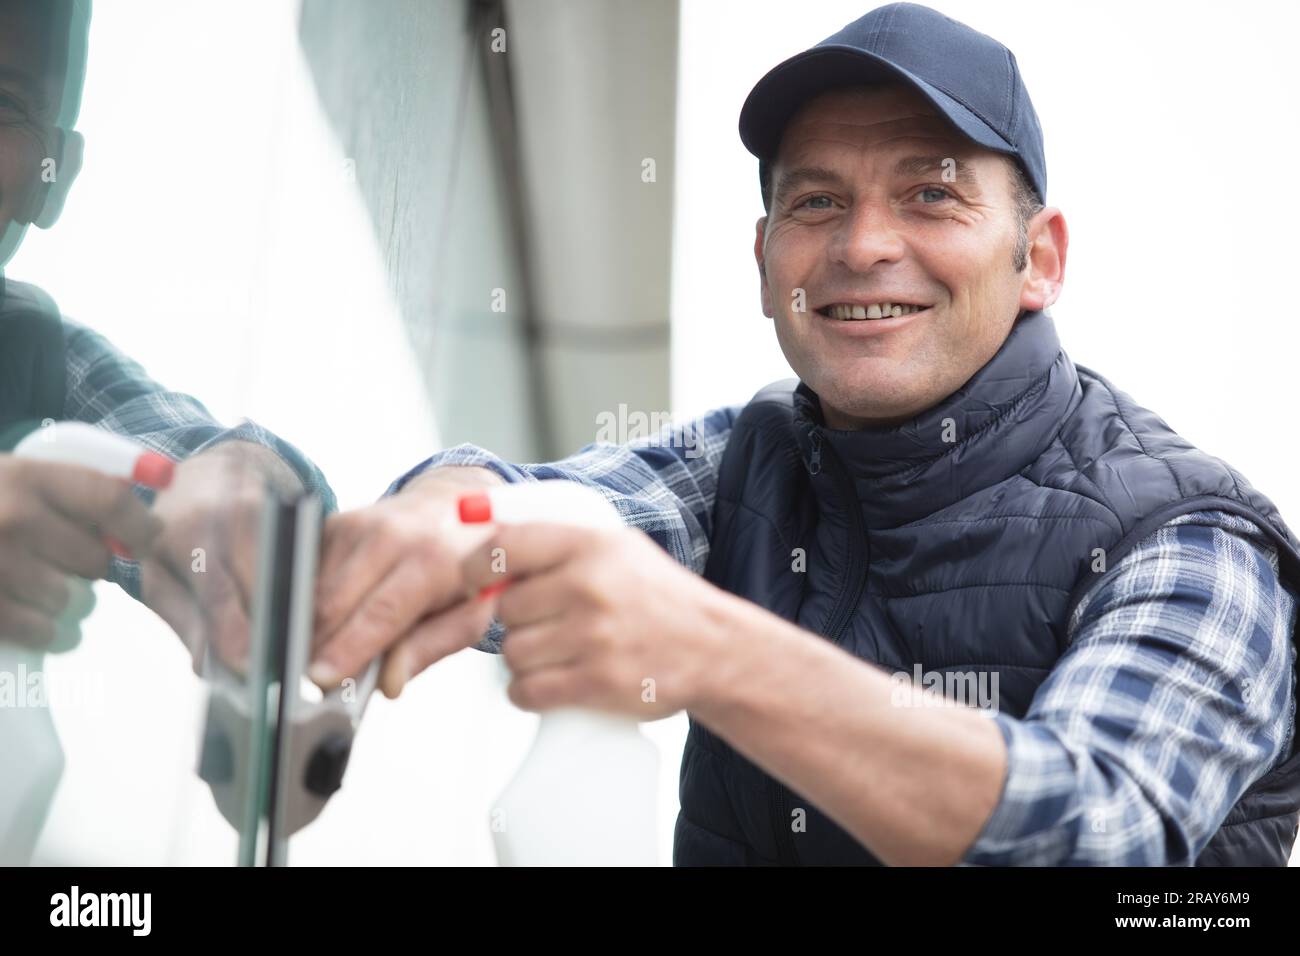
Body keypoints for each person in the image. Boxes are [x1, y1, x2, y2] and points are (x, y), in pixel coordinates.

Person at [309, 3, 1300, 865]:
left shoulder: (1189, 538)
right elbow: (548, 513)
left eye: (931, 194)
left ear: (1036, 258)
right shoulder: (754, 461)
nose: (863, 244)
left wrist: (708, 651)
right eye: (817, 200)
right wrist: (444, 508)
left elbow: (1097, 825)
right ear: (763, 260)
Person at [0, 0, 332, 667]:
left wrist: (236, 492)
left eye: (5, 108)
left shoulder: (36, 357)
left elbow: (201, 466)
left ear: (52, 180)